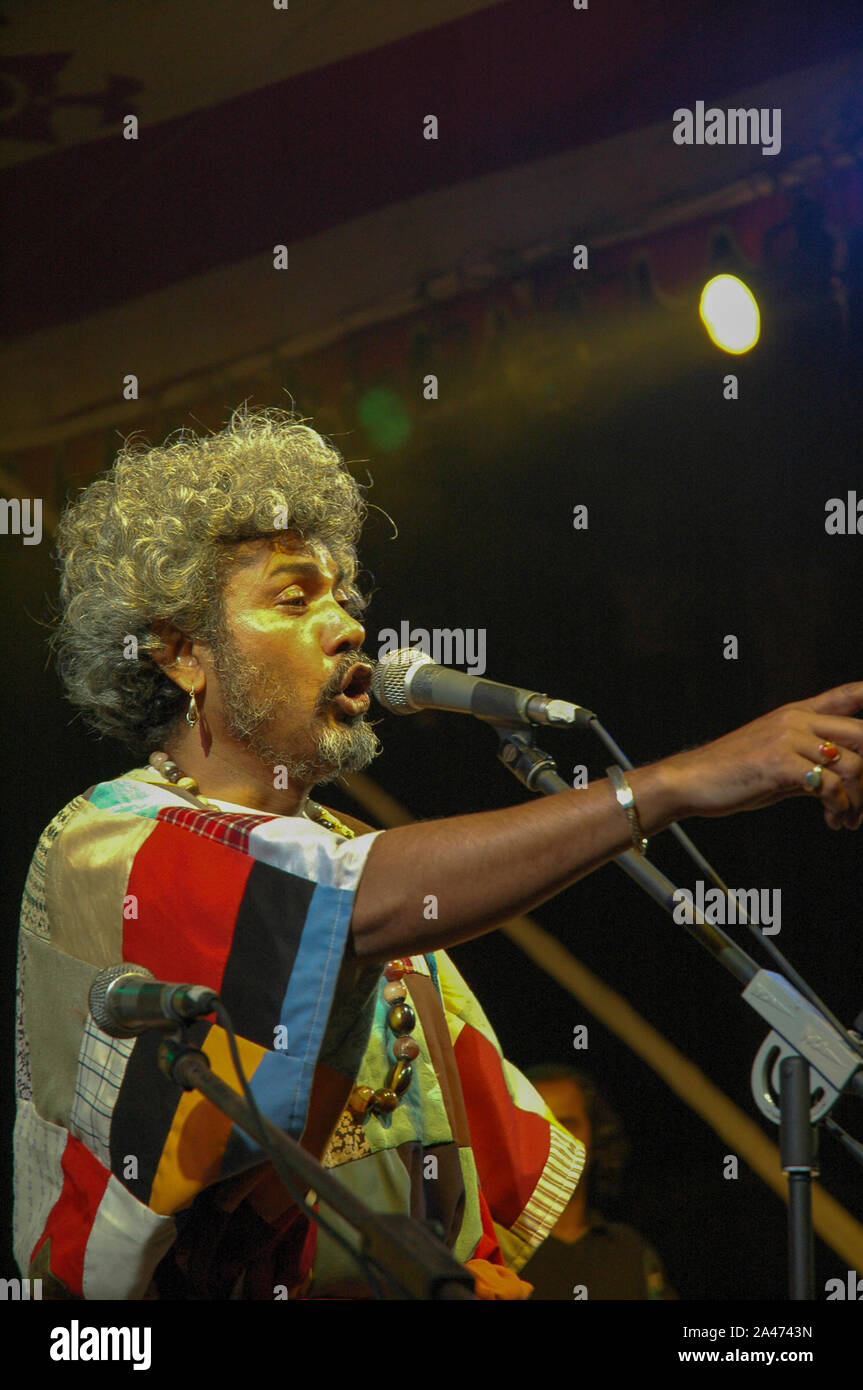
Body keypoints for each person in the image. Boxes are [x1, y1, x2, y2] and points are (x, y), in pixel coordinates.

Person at [13, 405, 863, 1300]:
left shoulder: (361, 869)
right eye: (295, 598)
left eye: (344, 595)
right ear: (183, 653)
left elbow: (472, 1224)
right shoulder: (109, 840)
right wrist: (676, 782)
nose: (345, 625)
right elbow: (336, 901)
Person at [521, 1066, 675, 1299]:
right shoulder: (494, 1252)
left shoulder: (629, 1252)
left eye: (566, 1125)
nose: (552, 1138)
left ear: (596, 1138)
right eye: (536, 1124)